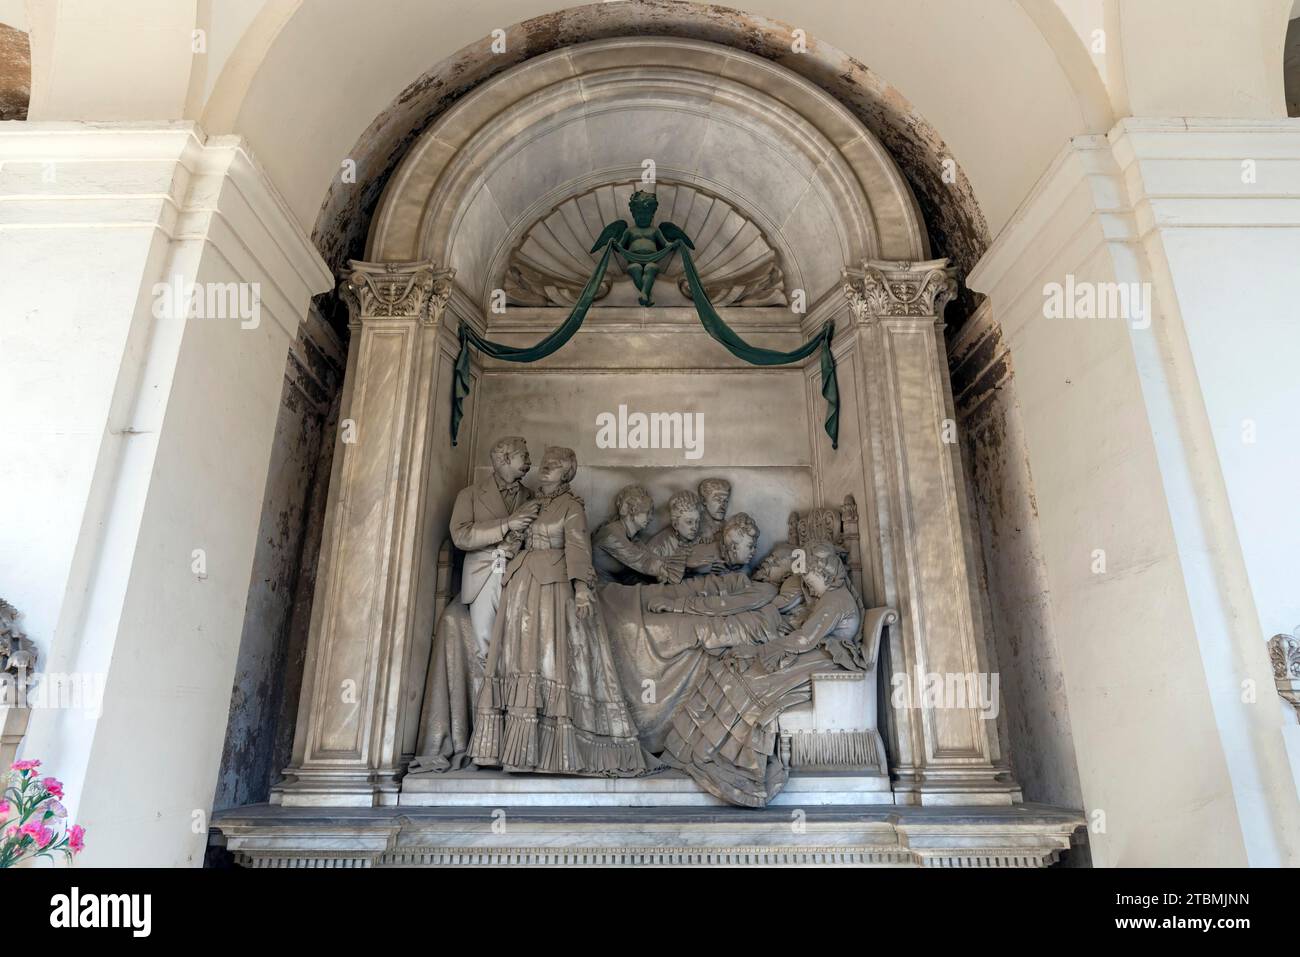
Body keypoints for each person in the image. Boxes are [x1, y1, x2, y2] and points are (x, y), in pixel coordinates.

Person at [468, 447, 654, 775]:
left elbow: (579, 550)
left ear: (567, 473)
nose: (546, 468)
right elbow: (514, 542)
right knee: (518, 659)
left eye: (554, 465)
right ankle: (512, 750)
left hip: (552, 590)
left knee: (547, 660)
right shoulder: (532, 504)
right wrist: (509, 544)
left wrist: (582, 590)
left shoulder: (571, 508)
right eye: (545, 463)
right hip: (521, 586)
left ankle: (551, 752)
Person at [592, 484, 685, 585]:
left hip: (619, 588)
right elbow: (641, 561)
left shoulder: (631, 538)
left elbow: (649, 556)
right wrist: (668, 570)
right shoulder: (611, 534)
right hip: (602, 589)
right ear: (632, 510)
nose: (650, 518)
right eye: (647, 513)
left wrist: (678, 566)